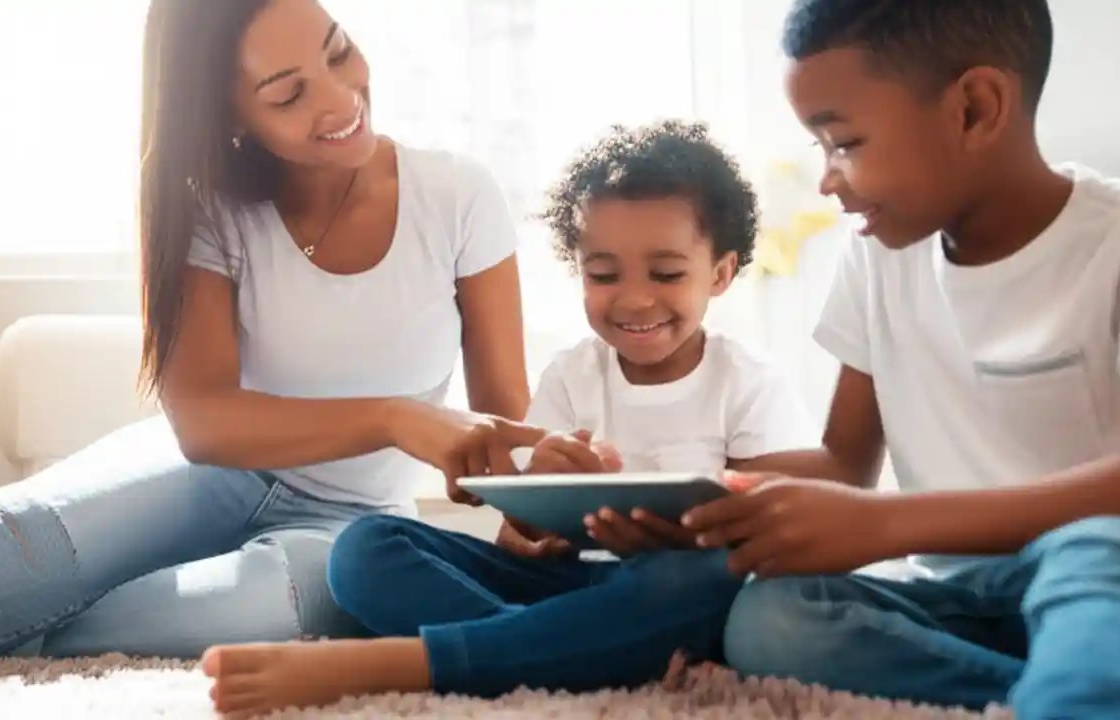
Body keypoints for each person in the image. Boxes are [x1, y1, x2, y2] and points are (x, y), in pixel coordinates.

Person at [0, 0, 542, 664]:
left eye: (339, 50)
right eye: (290, 93)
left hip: (350, 520)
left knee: (226, 613)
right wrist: (396, 417)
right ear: (231, 114)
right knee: (1, 551)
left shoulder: (459, 196)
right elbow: (204, 423)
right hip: (202, 477)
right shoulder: (207, 208)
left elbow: (506, 415)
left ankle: (15, 639)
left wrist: (537, 514)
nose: (342, 95)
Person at [199, 120, 817, 718]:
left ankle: (422, 662)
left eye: (666, 274)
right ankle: (544, 650)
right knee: (366, 548)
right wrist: (541, 490)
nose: (633, 298)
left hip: (668, 589)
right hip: (572, 585)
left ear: (720, 273)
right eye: (604, 275)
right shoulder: (571, 375)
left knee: (707, 583)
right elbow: (523, 534)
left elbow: (777, 530)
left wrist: (687, 532)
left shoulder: (746, 382)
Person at [677, 1, 1120, 718]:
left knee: (1104, 550)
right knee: (774, 617)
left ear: (975, 109)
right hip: (963, 597)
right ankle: (1067, 690)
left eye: (843, 142)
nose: (826, 178)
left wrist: (888, 523)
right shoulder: (877, 258)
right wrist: (688, 498)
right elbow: (844, 464)